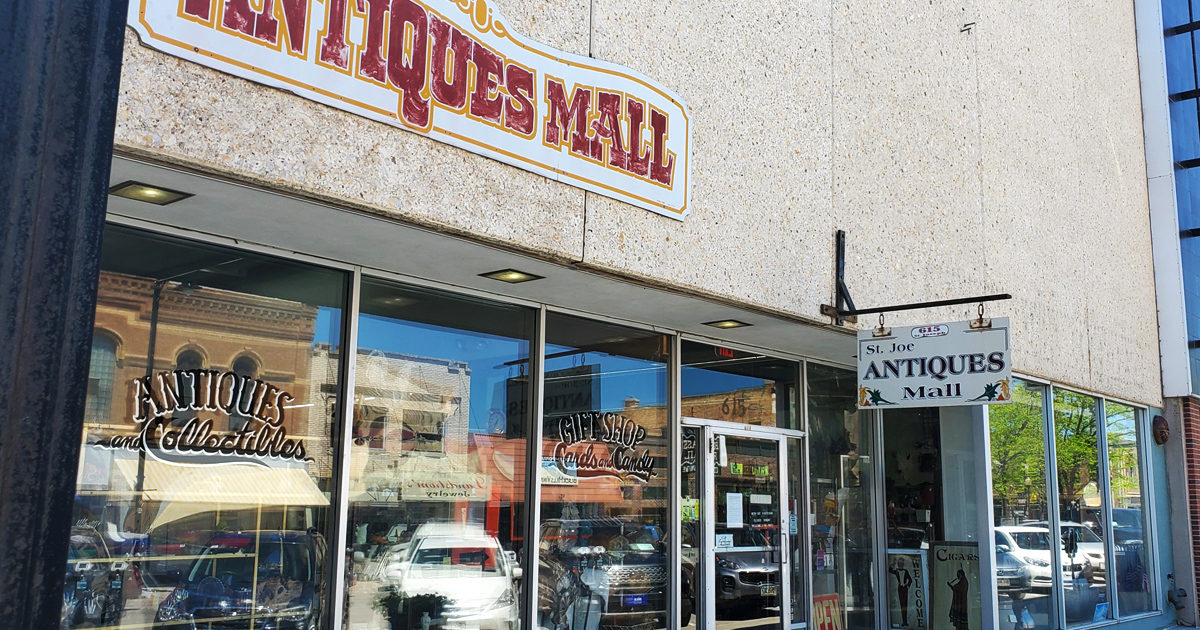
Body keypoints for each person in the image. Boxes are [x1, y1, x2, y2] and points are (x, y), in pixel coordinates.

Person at [889, 557, 914, 626]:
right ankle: (903, 621)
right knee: (901, 604)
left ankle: (905, 621)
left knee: (905, 604)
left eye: (901, 564)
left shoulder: (905, 571)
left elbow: (910, 580)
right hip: (900, 588)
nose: (900, 565)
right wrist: (893, 564)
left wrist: (907, 586)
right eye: (899, 564)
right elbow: (890, 570)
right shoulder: (896, 571)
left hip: (904, 588)